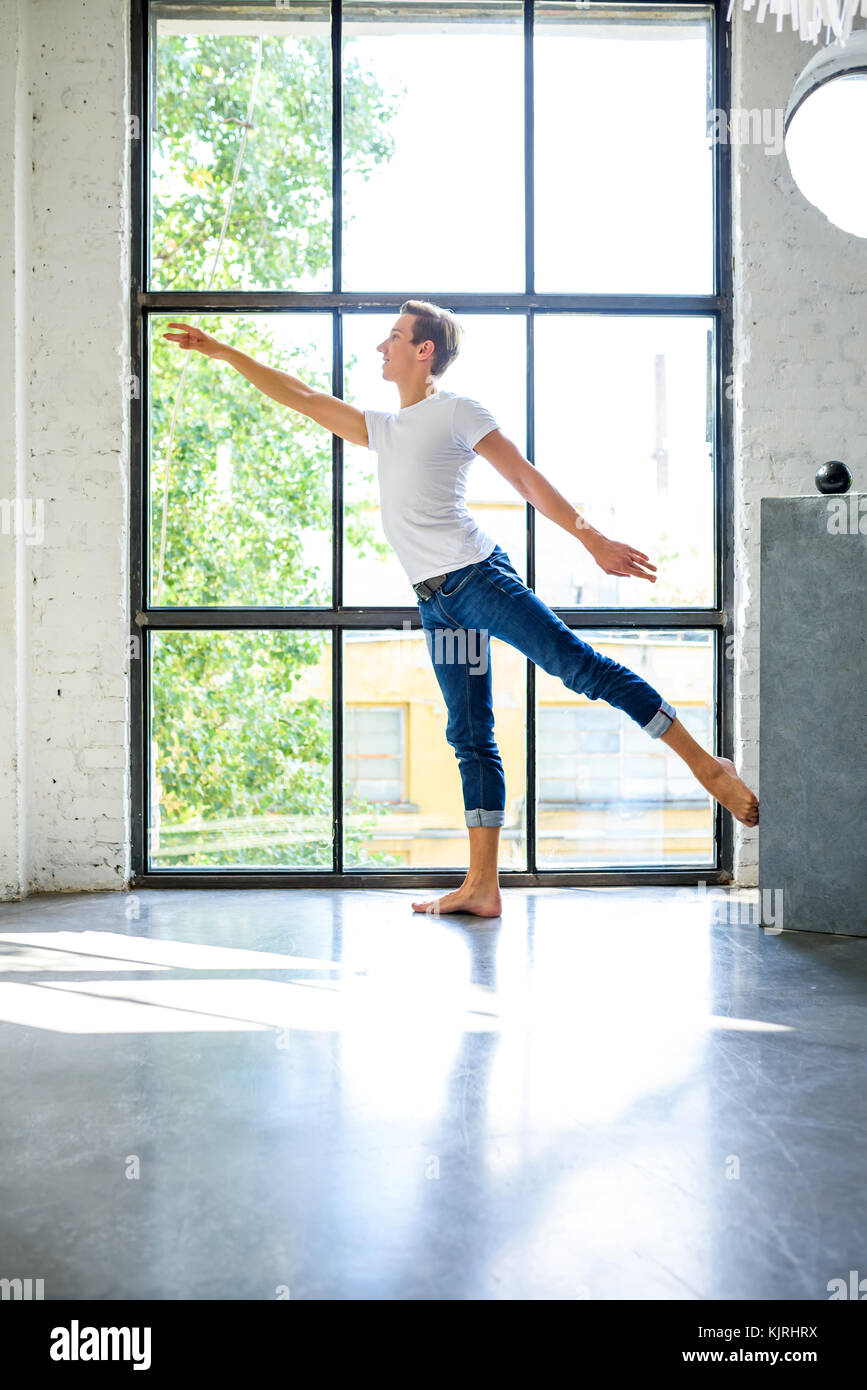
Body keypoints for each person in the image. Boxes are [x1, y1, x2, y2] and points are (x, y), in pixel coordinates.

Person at [164, 301, 759, 918]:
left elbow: (525, 479)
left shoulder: (457, 411)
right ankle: (482, 886)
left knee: (578, 668)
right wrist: (225, 353)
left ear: (425, 351)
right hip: (436, 605)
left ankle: (707, 766)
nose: (380, 348)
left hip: (480, 581)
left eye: (394, 337)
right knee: (470, 736)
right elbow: (301, 394)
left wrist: (592, 539)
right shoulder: (383, 429)